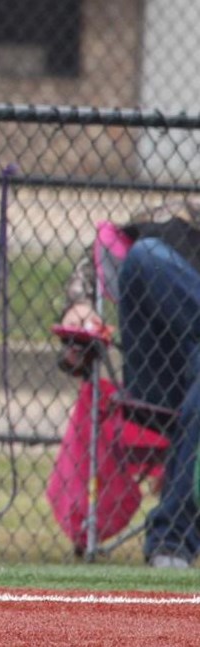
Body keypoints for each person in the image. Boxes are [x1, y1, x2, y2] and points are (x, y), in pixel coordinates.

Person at [58, 201, 200, 568]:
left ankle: (172, 541)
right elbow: (97, 260)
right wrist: (79, 303)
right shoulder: (170, 217)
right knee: (146, 255)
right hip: (159, 380)